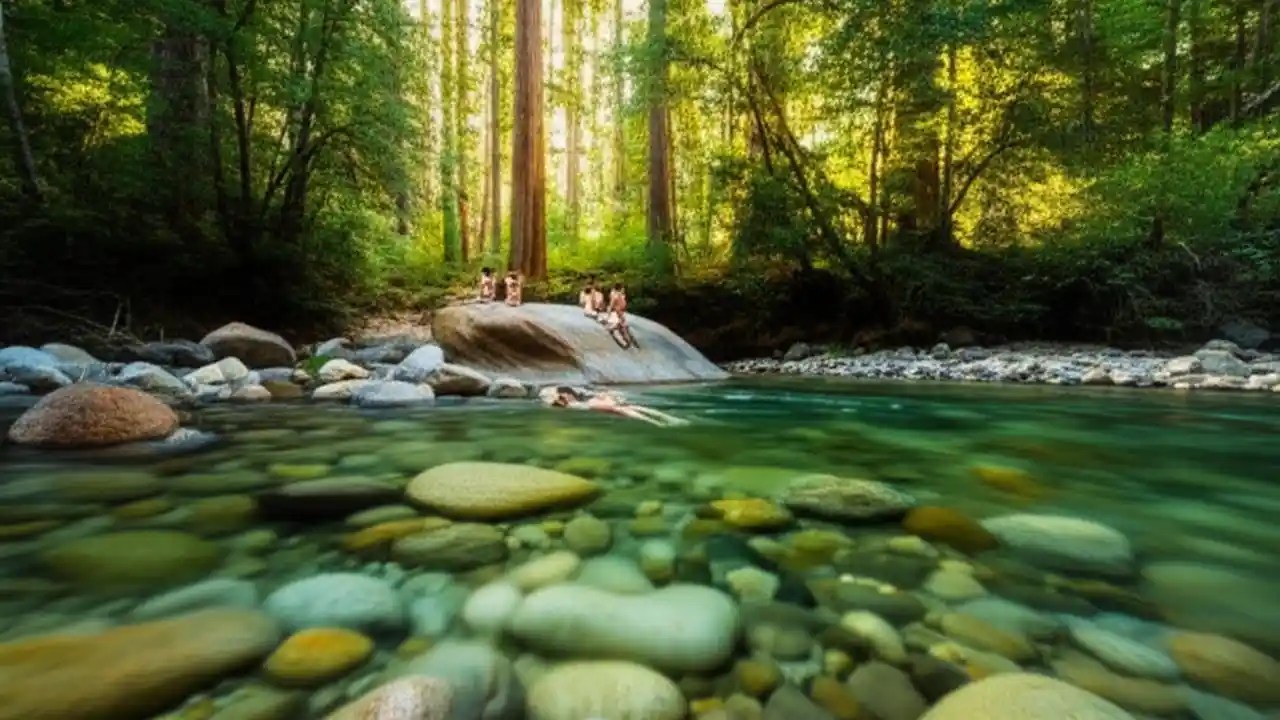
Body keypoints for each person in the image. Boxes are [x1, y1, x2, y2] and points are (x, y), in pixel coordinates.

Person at [539, 386, 687, 427]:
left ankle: (666, 419)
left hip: (591, 406)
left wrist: (603, 397)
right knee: (623, 408)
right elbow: (554, 400)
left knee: (631, 407)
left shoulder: (572, 402)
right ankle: (661, 421)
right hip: (590, 407)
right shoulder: (565, 403)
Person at [606, 282, 637, 348]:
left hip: (616, 313)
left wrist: (608, 315)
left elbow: (611, 305)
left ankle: (624, 343)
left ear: (614, 288)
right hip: (621, 313)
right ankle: (631, 341)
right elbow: (624, 305)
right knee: (624, 328)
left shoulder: (615, 296)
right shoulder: (622, 296)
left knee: (613, 329)